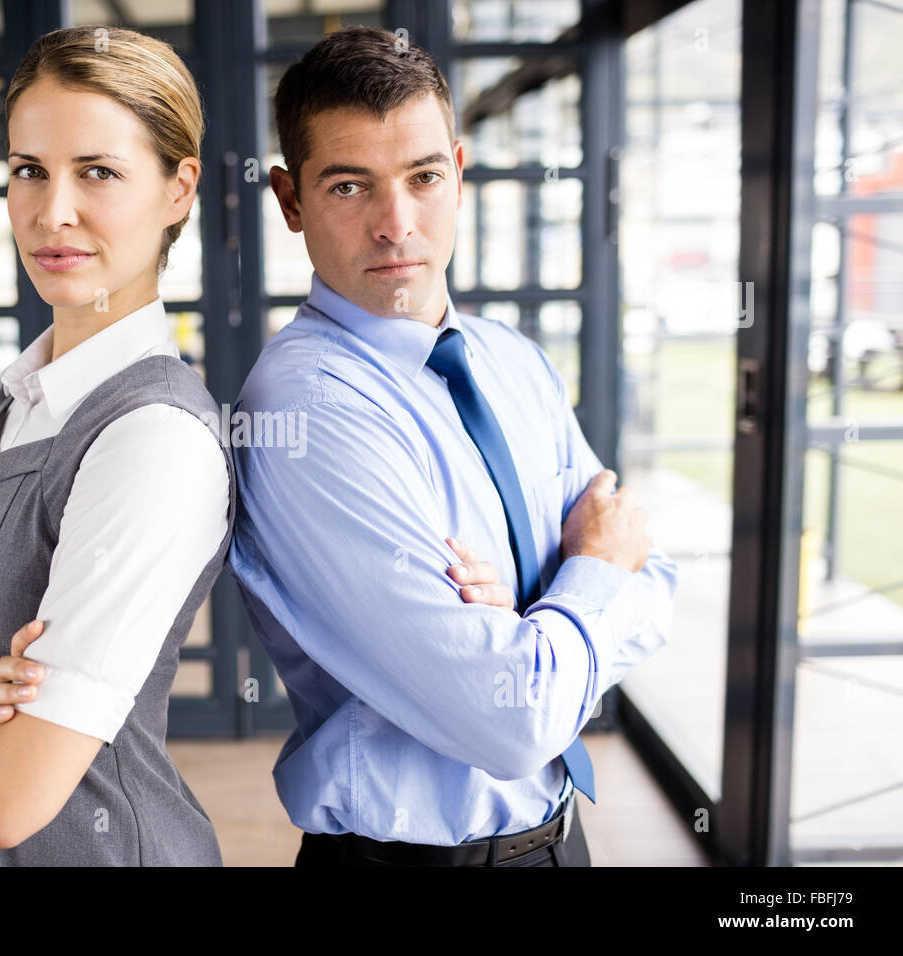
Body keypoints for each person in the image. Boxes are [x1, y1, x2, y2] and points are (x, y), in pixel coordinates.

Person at [225, 26, 679, 866]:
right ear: (290, 201)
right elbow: (512, 719)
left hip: (559, 838)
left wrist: (534, 618)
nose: (397, 225)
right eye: (350, 186)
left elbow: (657, 580)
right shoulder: (307, 413)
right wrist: (585, 576)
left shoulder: (512, 361)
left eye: (424, 177)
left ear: (459, 175)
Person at [0, 26, 231, 866]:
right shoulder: (10, 396)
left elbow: (5, 797)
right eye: (29, 169)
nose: (51, 210)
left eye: (97, 172)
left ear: (180, 190)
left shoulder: (154, 438)